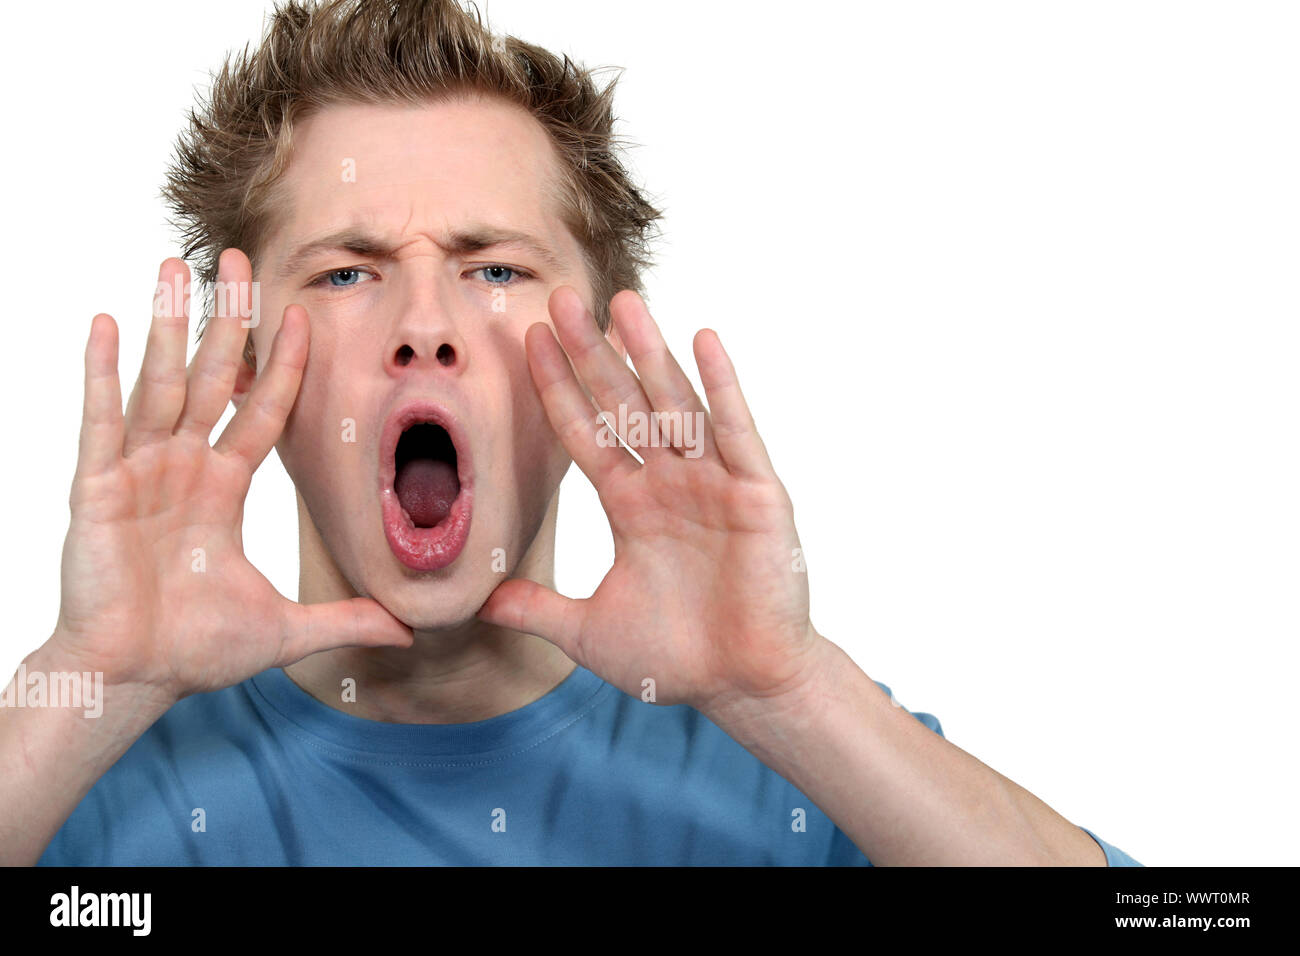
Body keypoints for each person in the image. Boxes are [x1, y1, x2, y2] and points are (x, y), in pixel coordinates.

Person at [2, 0, 1139, 866]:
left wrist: (790, 692)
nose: (425, 328)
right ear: (247, 365)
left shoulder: (791, 770)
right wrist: (85, 680)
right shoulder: (82, 783)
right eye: (347, 271)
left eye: (493, 267)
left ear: (593, 349)